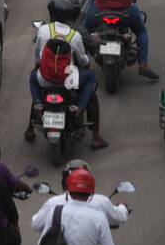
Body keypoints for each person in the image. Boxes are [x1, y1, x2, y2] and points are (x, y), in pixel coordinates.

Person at [28, 16, 106, 149]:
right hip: (68, 81)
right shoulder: (75, 35)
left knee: (33, 78)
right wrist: (87, 65)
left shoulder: (43, 30)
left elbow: (37, 57)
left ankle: (32, 123)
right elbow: (83, 60)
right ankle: (93, 133)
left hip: (45, 79)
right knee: (91, 78)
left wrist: (39, 66)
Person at [31, 160, 129, 236]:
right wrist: (122, 207)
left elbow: (36, 224)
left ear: (67, 181)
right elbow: (120, 218)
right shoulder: (101, 202)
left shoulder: (53, 203)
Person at [35, 168, 116, 245]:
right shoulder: (99, 218)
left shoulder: (55, 211)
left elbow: (42, 244)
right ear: (91, 193)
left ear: (69, 189)